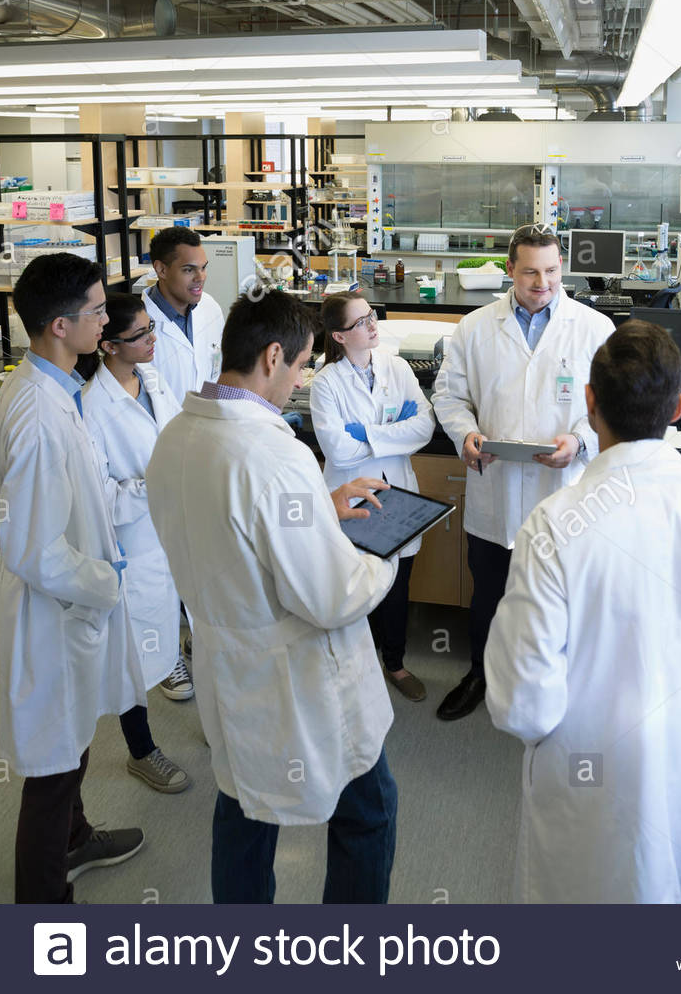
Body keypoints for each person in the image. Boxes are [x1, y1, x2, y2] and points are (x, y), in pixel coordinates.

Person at [484, 319, 681, 904]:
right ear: (678, 407)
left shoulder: (554, 527)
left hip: (581, 783)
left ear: (589, 403)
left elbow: (520, 703)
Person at [146, 289, 400, 904]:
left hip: (229, 666)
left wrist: (320, 509)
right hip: (301, 679)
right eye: (302, 365)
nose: (301, 380)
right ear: (273, 355)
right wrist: (382, 551)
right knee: (368, 812)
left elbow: (240, 531)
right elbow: (330, 596)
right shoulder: (271, 453)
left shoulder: (177, 436)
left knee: (244, 815)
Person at [0, 254, 146, 903]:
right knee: (51, 772)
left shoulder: (55, 389)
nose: (105, 320)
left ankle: (77, 839)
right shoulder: (34, 415)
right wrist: (105, 581)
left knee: (73, 743)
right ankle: (42, 915)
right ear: (60, 325)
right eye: (95, 312)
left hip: (71, 611)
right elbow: (32, 550)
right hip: (53, 617)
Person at [431, 224, 614, 720]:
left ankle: (560, 692)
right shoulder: (474, 328)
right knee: (488, 593)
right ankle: (480, 674)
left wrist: (579, 440)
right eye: (531, 271)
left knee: (563, 598)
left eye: (552, 270)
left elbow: (610, 407)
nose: (543, 282)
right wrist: (465, 434)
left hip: (565, 492)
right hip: (496, 489)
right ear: (509, 269)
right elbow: (449, 395)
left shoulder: (595, 329)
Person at [81, 293, 191, 794]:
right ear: (108, 345)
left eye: (152, 330)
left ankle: (218, 720)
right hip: (137, 545)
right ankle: (142, 752)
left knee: (196, 630)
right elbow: (100, 496)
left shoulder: (154, 378)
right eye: (141, 335)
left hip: (180, 531)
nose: (152, 340)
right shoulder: (89, 407)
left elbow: (175, 437)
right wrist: (158, 484)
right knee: (131, 658)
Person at [311, 293, 435, 702]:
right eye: (360, 322)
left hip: (397, 490)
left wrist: (365, 433)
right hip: (352, 497)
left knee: (397, 586)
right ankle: (356, 671)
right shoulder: (327, 382)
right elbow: (336, 449)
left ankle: (395, 664)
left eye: (371, 316)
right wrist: (391, 432)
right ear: (339, 336)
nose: (372, 324)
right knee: (357, 588)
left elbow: (425, 427)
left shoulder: (396, 367)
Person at [142, 226, 223, 406]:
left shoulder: (210, 308)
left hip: (206, 424)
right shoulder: (140, 327)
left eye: (203, 268)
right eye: (189, 270)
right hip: (163, 432)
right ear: (161, 270)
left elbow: (215, 374)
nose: (200, 277)